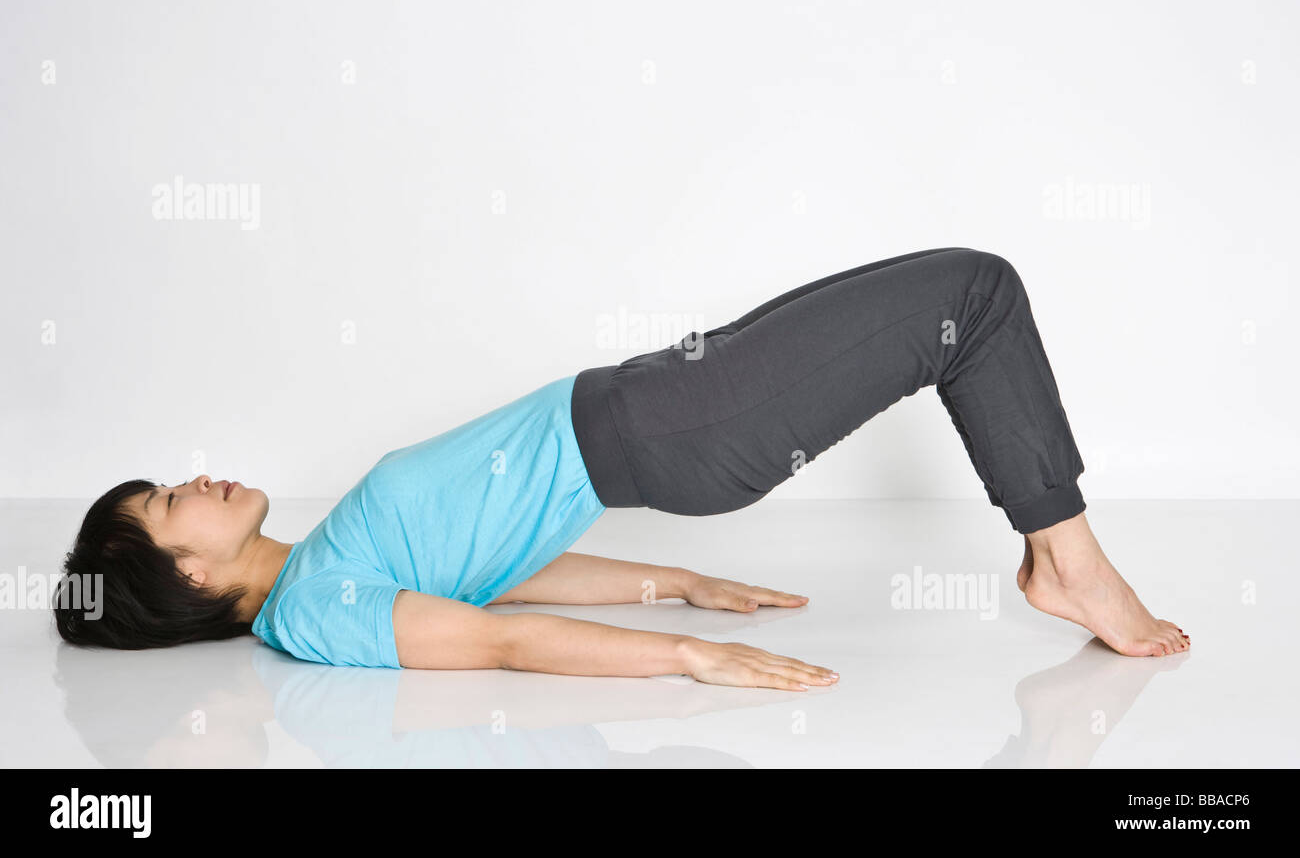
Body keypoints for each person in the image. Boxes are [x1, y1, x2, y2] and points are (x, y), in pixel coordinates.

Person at [53, 247, 1188, 690]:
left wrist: (676, 580)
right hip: (672, 427)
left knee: (953, 295)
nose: (194, 479)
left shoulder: (321, 563)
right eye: (167, 503)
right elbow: (497, 640)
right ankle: (1065, 558)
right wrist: (685, 653)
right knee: (969, 296)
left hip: (651, 398)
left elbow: (499, 574)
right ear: (188, 577)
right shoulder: (316, 612)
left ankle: (1058, 552)